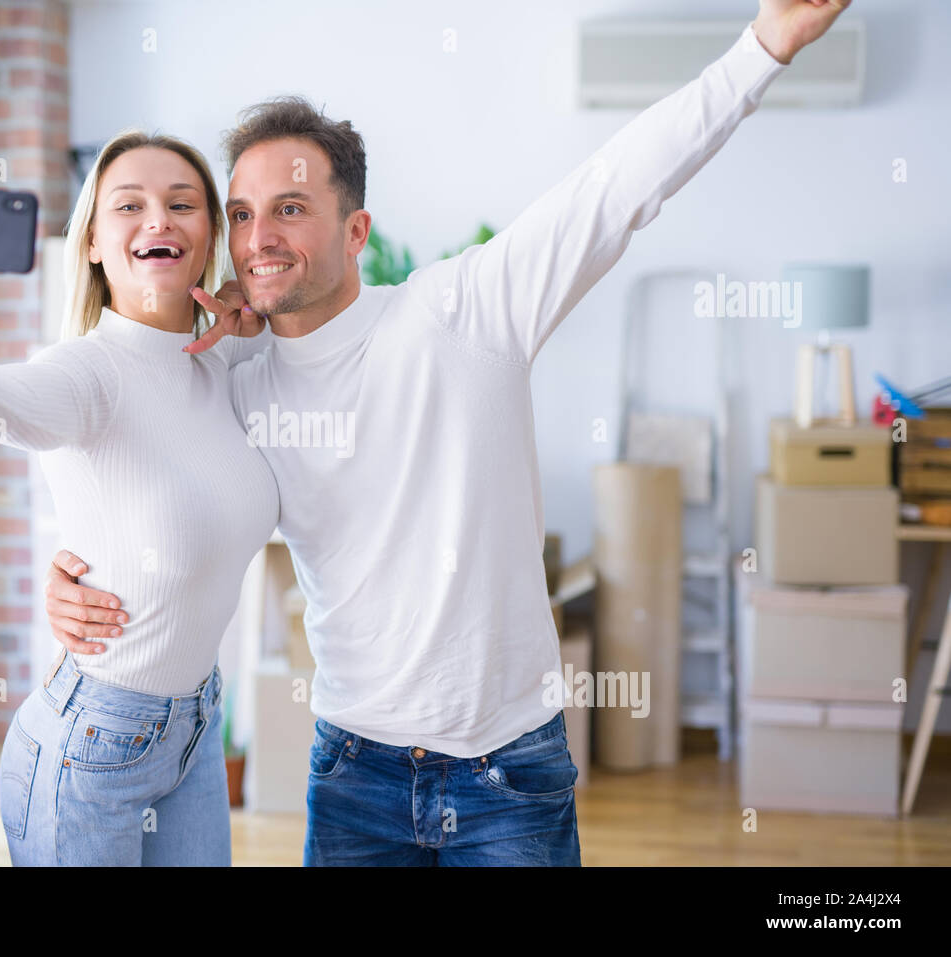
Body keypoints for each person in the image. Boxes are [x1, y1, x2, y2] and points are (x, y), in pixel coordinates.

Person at [44, 2, 852, 865]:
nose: (257, 239)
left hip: (507, 773)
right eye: (240, 215)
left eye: (288, 208)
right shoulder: (234, 377)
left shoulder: (465, 309)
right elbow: (140, 462)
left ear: (356, 231)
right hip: (353, 772)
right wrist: (68, 570)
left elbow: (617, 187)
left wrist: (761, 48)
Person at [0, 131, 279, 865]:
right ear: (90, 242)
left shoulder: (226, 362)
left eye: (183, 204)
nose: (159, 220)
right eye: (129, 205)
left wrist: (260, 312)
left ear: (211, 234)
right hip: (92, 745)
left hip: (197, 728)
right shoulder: (86, 374)